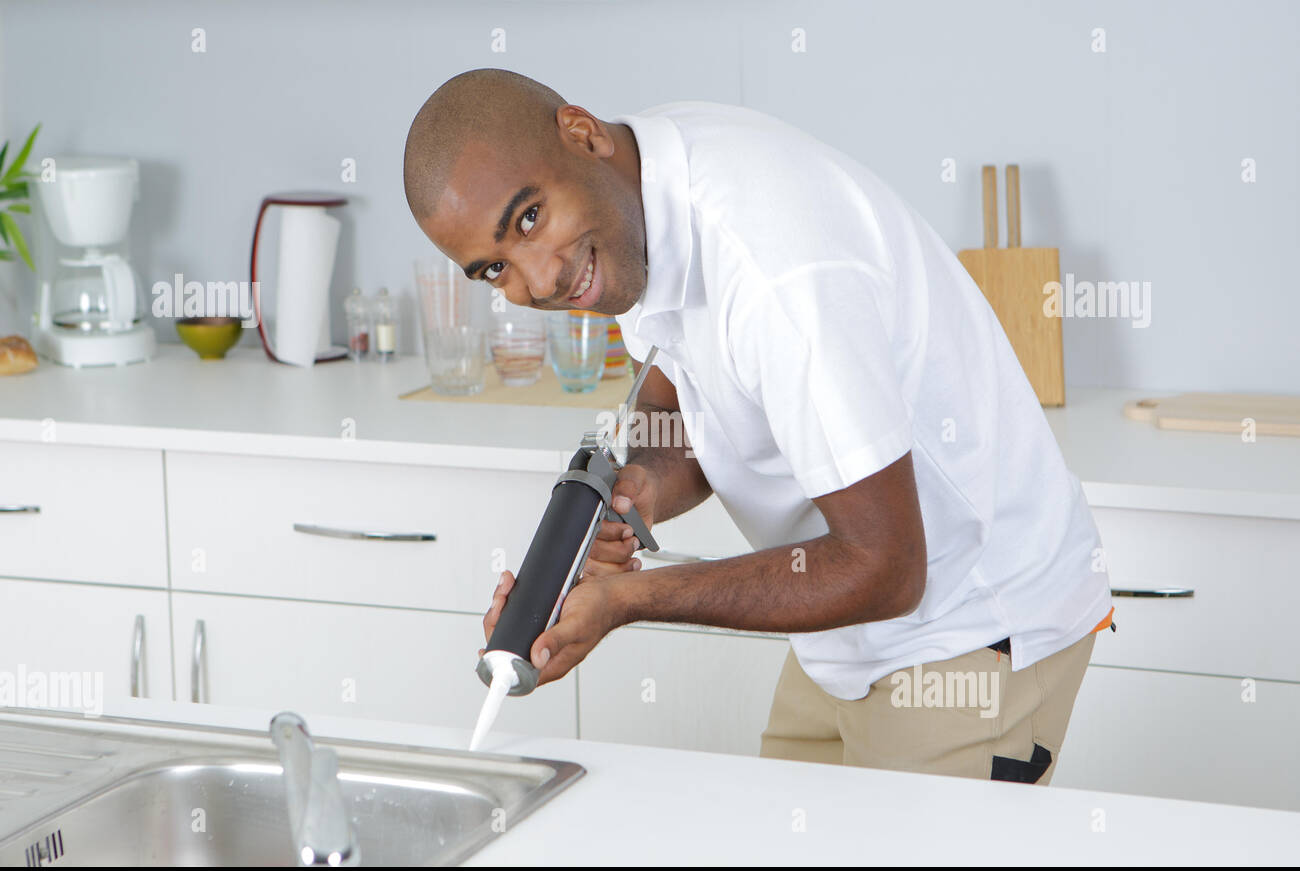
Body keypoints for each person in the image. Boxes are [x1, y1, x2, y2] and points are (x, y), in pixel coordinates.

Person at [403, 68, 1114, 784]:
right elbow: (683, 388)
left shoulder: (777, 270)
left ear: (581, 134)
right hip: (844, 634)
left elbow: (888, 567)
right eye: (495, 268)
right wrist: (636, 491)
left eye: (528, 219)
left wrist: (628, 599)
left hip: (971, 630)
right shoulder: (630, 197)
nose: (542, 279)